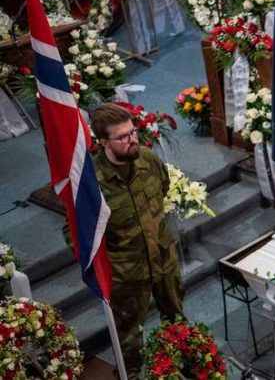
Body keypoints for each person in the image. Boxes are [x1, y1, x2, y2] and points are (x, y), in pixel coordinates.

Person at [83, 103, 184, 379]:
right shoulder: (92, 182)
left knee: (177, 324)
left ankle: (183, 367)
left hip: (163, 260)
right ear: (104, 142)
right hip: (127, 273)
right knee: (130, 342)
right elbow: (77, 231)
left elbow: (162, 189)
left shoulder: (148, 160)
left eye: (133, 132)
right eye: (123, 137)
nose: (132, 140)